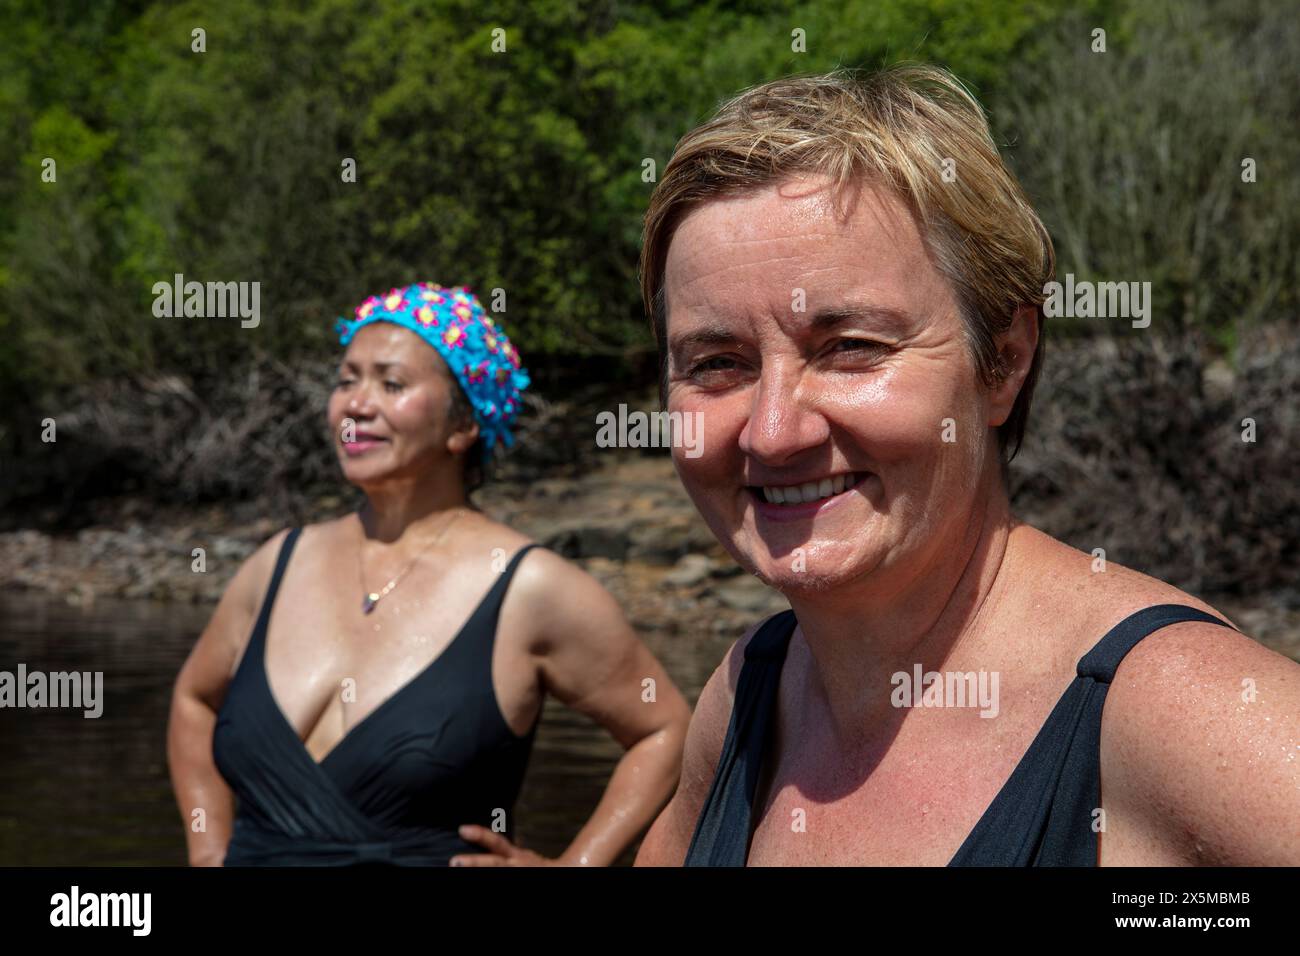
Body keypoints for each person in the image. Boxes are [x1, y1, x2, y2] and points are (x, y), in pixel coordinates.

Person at [633, 65, 1300, 866]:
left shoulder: (1181, 719)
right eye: (716, 362)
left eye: (851, 349)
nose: (773, 433)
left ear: (1004, 363)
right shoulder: (750, 697)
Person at [168, 282, 690, 866]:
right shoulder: (277, 564)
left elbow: (666, 730)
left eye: (391, 384)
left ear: (463, 424)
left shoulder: (529, 590)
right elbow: (194, 700)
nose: (355, 404)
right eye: (346, 379)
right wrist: (207, 848)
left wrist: (576, 865)